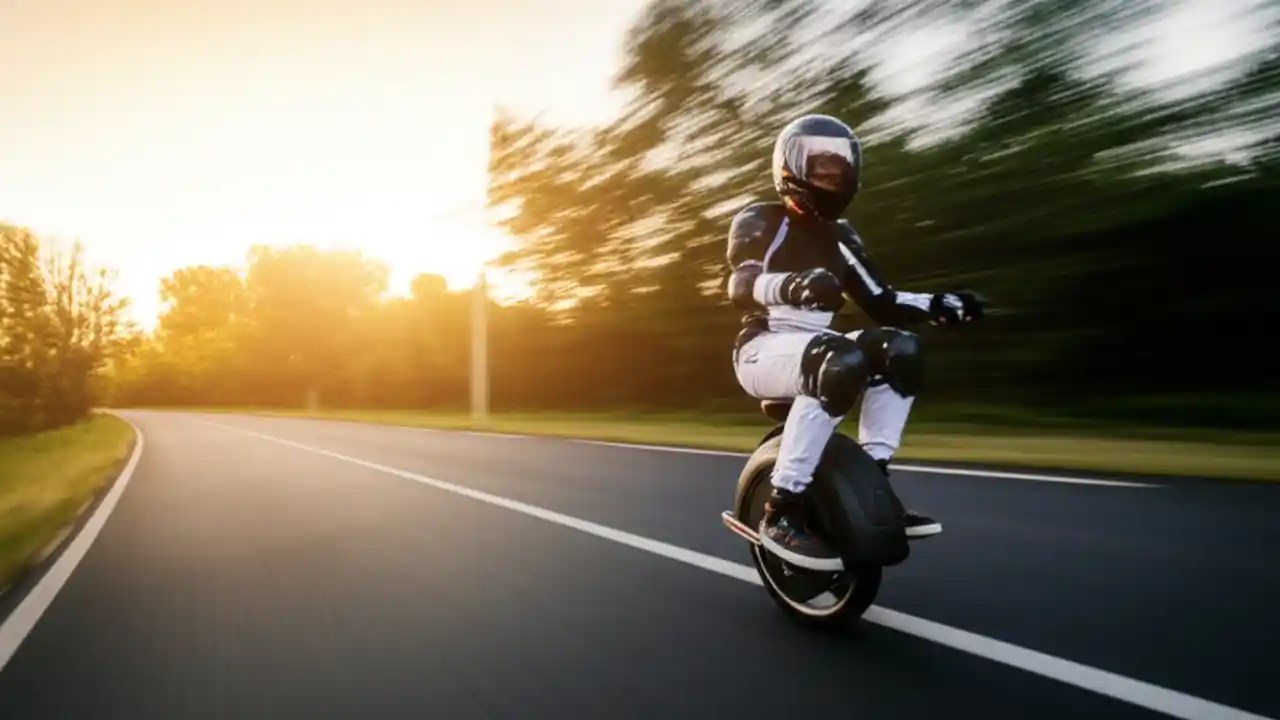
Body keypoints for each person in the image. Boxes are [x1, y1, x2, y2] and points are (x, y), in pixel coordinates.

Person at [726, 114, 985, 571]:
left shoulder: (841, 236)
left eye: (840, 168)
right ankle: (781, 511)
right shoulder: (761, 220)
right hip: (761, 347)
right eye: (821, 168)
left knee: (899, 348)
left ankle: (872, 488)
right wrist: (792, 285)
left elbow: (881, 300)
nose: (832, 176)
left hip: (818, 347)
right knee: (839, 355)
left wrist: (939, 303)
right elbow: (740, 286)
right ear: (791, 168)